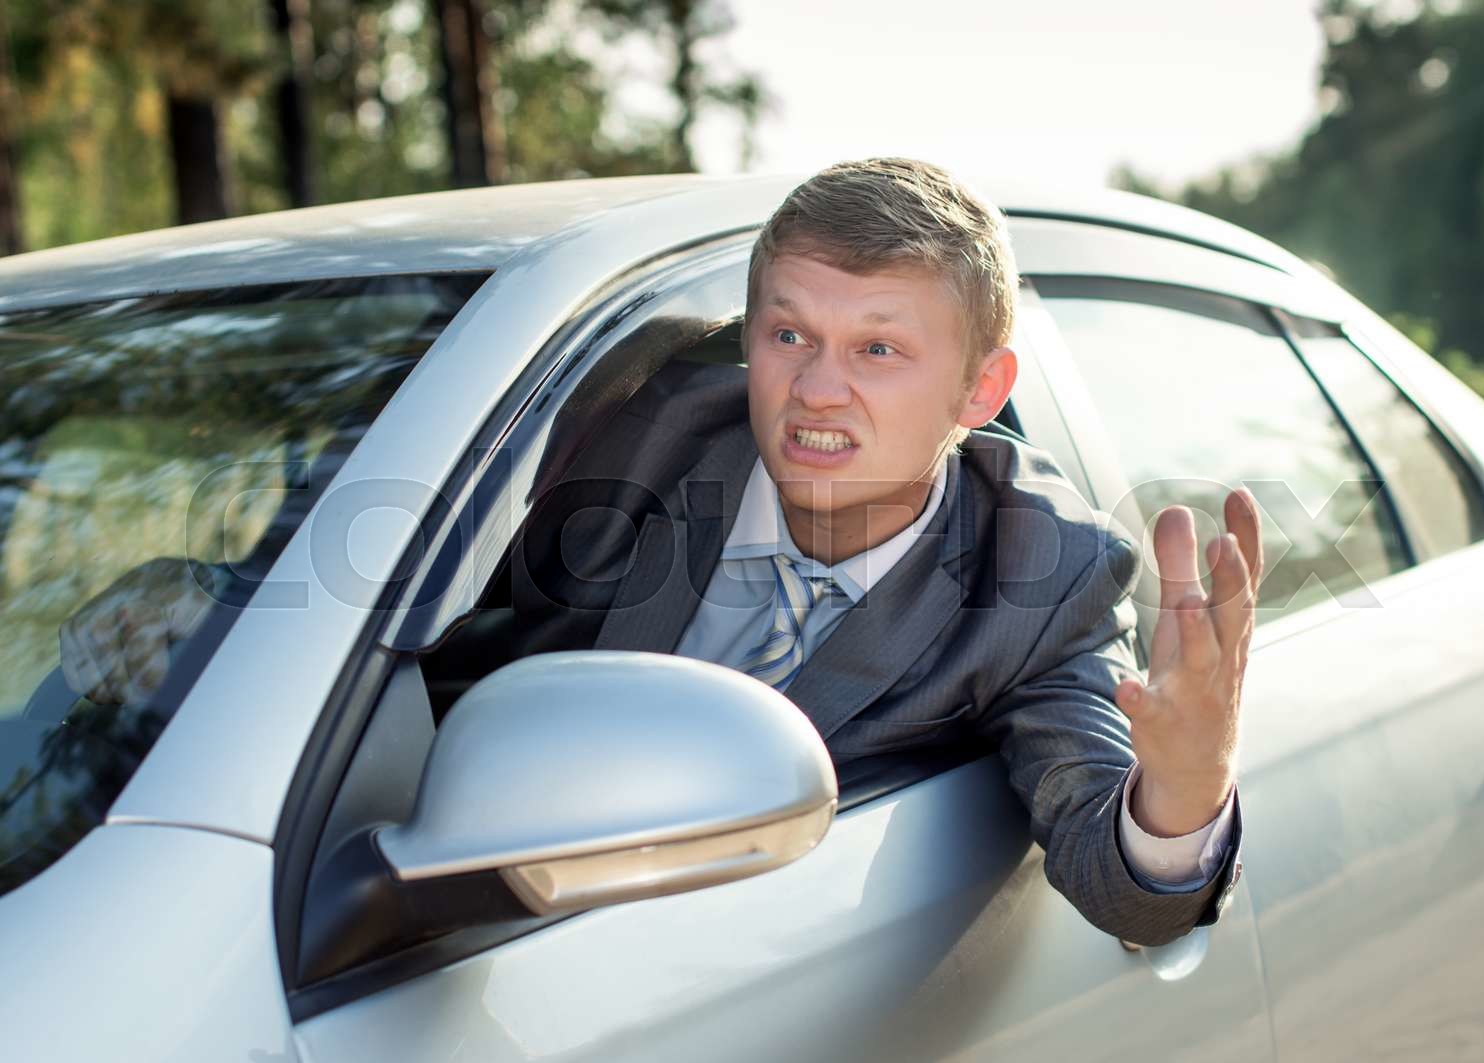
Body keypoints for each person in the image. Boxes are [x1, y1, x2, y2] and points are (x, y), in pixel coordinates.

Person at [62, 157, 1262, 948]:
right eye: (787, 332)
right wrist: (211, 606)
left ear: (980, 387)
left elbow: (1121, 881)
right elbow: (422, 641)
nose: (816, 389)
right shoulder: (639, 441)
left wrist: (1187, 787)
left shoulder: (1040, 581)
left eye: (879, 349)